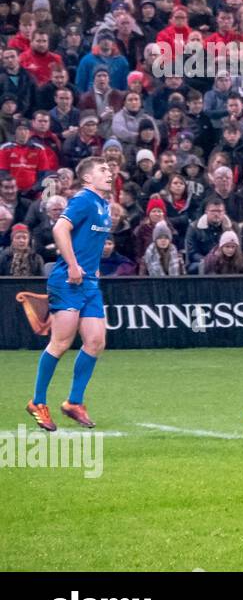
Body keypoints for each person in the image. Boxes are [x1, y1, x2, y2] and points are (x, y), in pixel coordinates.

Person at [27, 156, 113, 432]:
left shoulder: (104, 205)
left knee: (96, 341)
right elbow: (59, 228)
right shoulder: (84, 199)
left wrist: (93, 267)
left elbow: (91, 241)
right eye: (103, 170)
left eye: (110, 169)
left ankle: (74, 402)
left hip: (88, 282)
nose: (109, 173)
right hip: (68, 281)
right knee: (61, 342)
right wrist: (74, 264)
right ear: (88, 178)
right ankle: (37, 402)